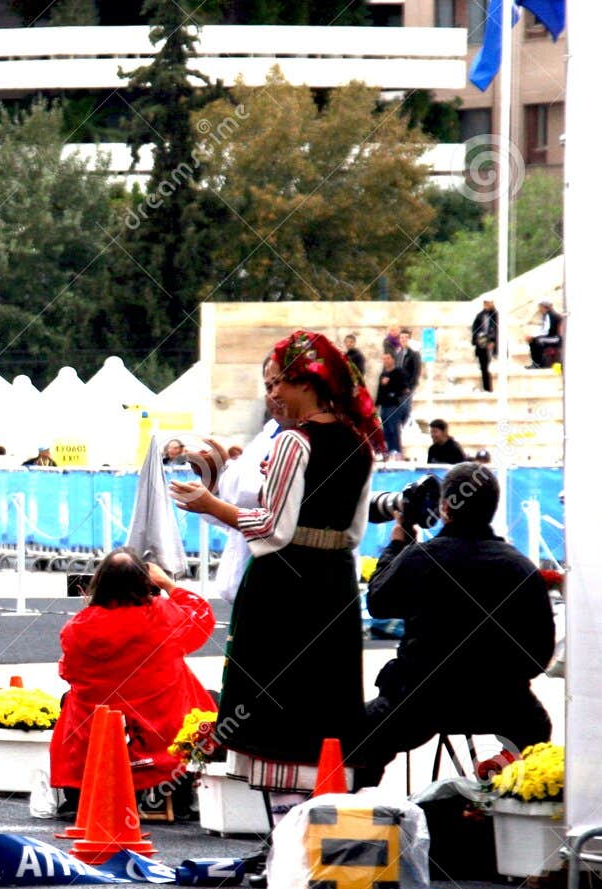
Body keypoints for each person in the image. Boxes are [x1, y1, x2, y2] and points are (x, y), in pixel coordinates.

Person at [170, 330, 379, 797]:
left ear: (307, 382)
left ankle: (282, 836)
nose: (272, 395)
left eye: (277, 383)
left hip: (284, 589)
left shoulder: (292, 443)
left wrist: (211, 504)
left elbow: (271, 529)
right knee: (325, 703)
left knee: (275, 713)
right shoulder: (358, 443)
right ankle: (317, 828)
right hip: (335, 586)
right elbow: (354, 531)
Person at [350, 464, 555, 786]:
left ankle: (355, 816)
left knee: (352, 741)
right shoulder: (520, 568)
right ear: (492, 508)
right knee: (537, 734)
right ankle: (495, 801)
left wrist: (398, 543)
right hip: (501, 703)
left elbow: (377, 603)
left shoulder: (421, 558)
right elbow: (539, 655)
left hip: (419, 703)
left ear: (445, 508)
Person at [49, 549, 216, 818]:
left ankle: (77, 796)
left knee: (71, 699)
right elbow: (203, 617)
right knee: (199, 696)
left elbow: (69, 672)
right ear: (145, 582)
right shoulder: (165, 614)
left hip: (97, 738)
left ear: (99, 582)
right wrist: (168, 584)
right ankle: (178, 792)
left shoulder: (78, 627)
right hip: (162, 739)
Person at [375, 351, 411, 459]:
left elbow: (404, 389)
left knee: (393, 430)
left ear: (393, 359)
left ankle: (397, 452)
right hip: (384, 406)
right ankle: (389, 452)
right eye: (384, 359)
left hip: (394, 405)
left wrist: (390, 382)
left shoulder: (399, 372)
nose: (386, 361)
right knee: (386, 431)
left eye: (388, 358)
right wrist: (376, 404)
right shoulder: (383, 374)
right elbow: (380, 390)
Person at [470, 300, 499, 392]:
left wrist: (493, 341)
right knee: (484, 367)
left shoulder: (496, 315)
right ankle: (487, 388)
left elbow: (497, 330)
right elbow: (475, 330)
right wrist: (479, 341)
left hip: (493, 345)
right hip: (482, 345)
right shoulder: (480, 316)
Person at [528, 301, 563, 368]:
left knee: (537, 341)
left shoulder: (550, 315)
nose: (539, 309)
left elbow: (546, 330)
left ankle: (538, 364)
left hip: (554, 338)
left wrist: (533, 336)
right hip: (551, 337)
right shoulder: (548, 315)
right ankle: (537, 363)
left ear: (544, 307)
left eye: (540, 307)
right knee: (535, 340)